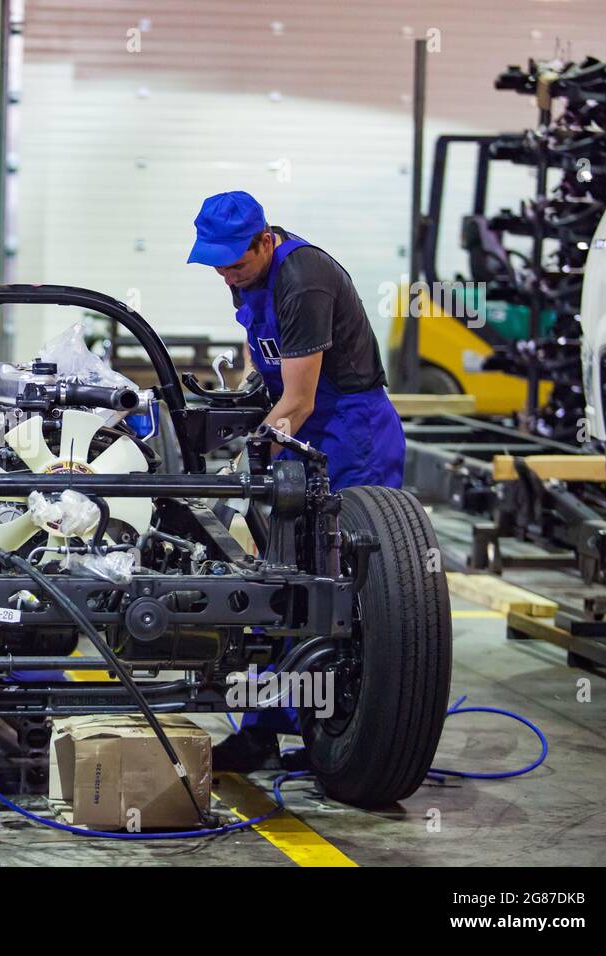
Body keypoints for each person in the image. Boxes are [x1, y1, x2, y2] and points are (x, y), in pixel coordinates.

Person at [186, 190, 405, 771]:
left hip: (349, 433)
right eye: (216, 265)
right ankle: (264, 728)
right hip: (306, 425)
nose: (226, 275)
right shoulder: (247, 275)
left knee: (345, 587)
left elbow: (302, 398)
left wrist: (247, 454)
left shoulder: (304, 278)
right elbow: (267, 361)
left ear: (266, 241)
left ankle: (346, 728)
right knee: (278, 575)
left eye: (234, 263)